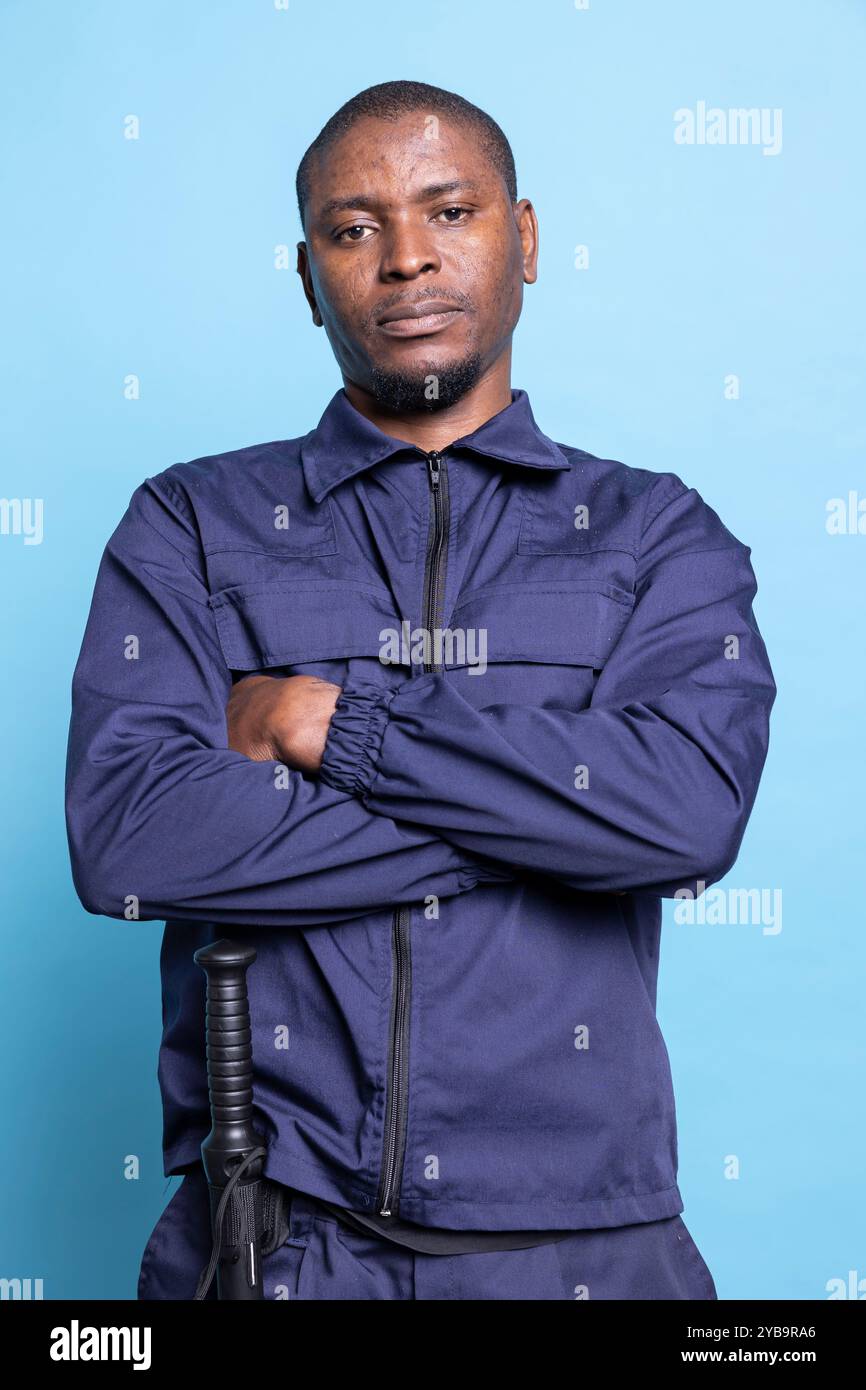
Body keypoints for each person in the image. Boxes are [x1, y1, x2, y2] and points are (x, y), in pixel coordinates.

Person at [65, 80, 776, 1300]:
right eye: (354, 228)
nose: (405, 260)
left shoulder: (657, 536)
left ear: (526, 239)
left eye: (448, 210)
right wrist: (550, 822)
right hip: (275, 1242)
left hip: (589, 1250)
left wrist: (320, 722)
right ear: (307, 276)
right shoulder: (190, 523)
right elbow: (132, 840)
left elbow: (685, 821)